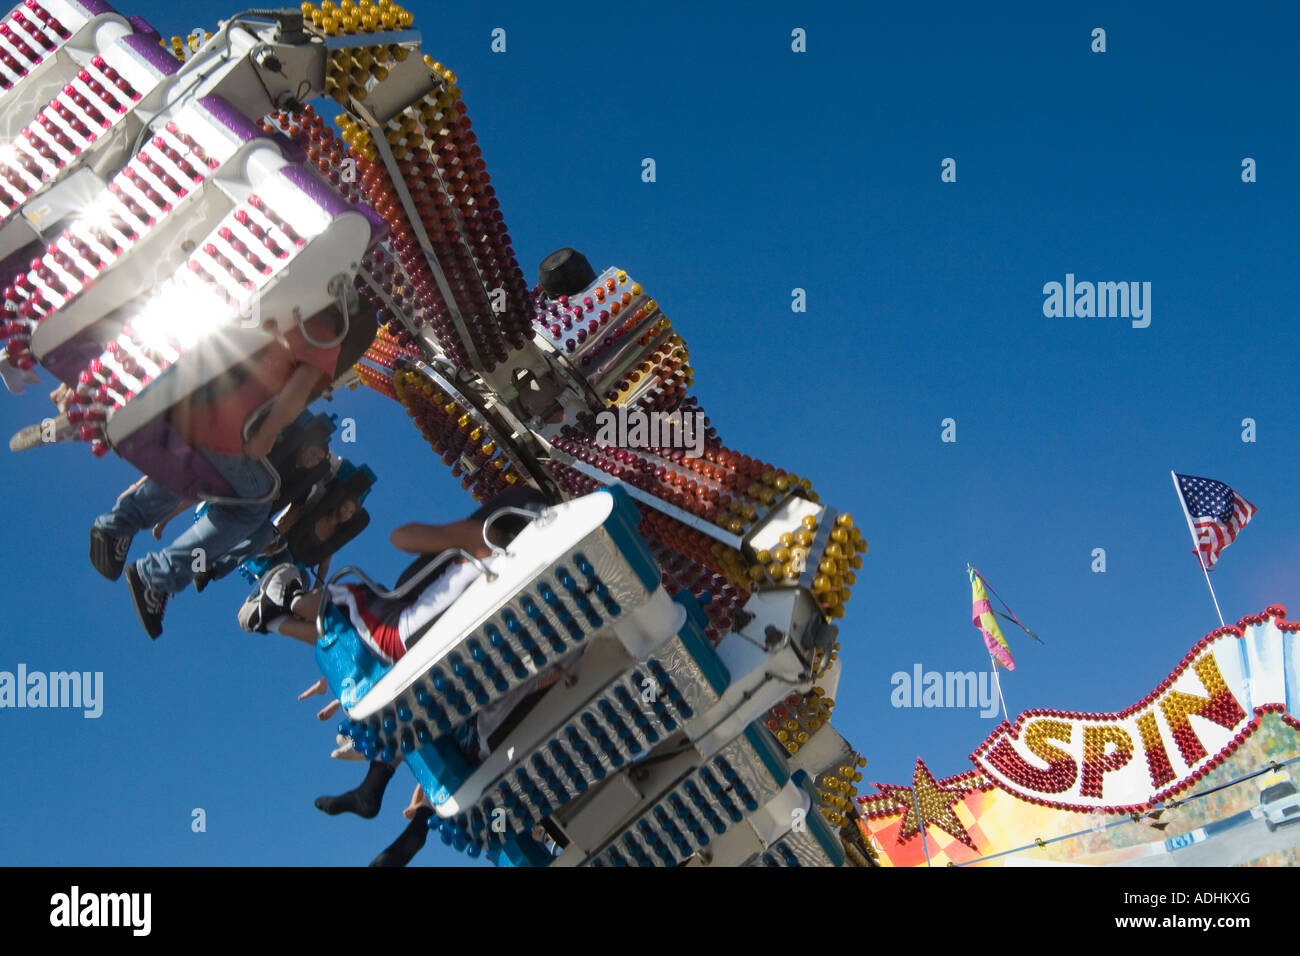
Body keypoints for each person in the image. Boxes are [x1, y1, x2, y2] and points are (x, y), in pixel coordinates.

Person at [87, 308, 343, 638]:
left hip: (190, 402)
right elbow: (298, 390)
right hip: (224, 426)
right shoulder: (329, 324)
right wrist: (266, 434)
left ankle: (117, 527)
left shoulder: (271, 306)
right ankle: (160, 575)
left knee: (201, 478)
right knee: (254, 507)